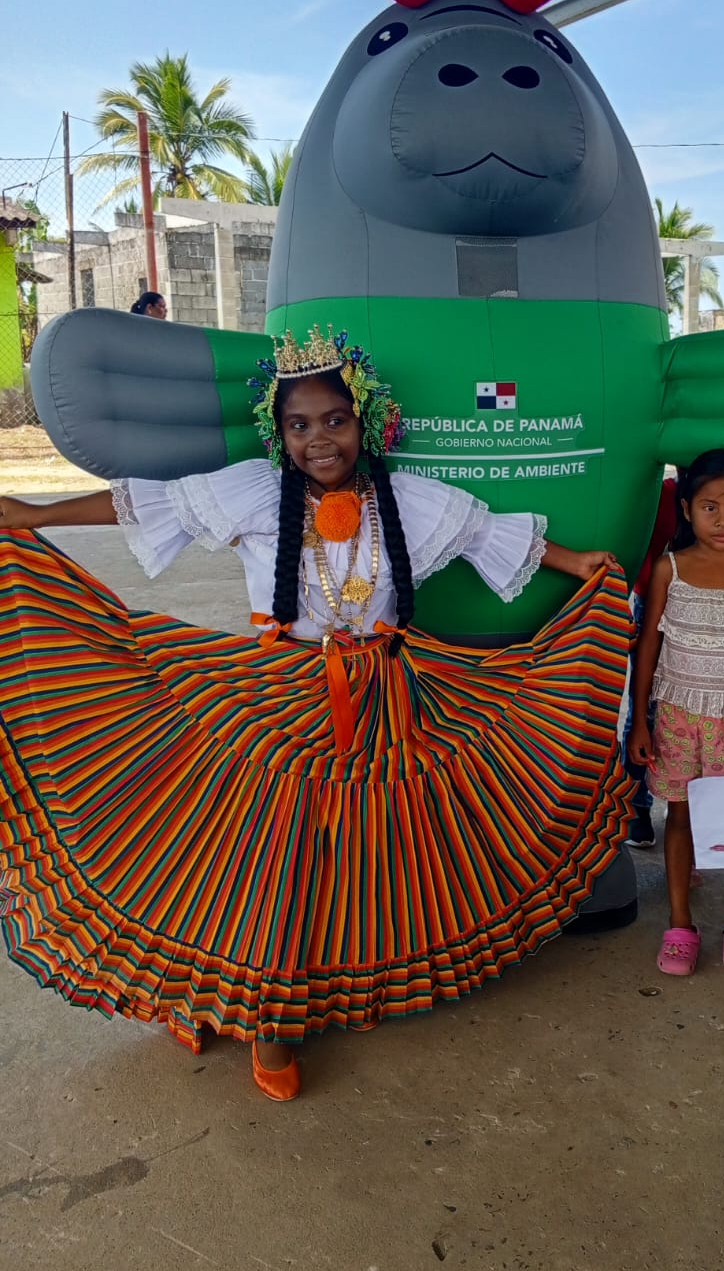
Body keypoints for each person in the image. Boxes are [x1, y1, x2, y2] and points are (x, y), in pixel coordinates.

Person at [0, 325, 626, 1101]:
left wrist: (577, 566)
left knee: (364, 859)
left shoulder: (408, 500)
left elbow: (486, 533)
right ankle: (265, 1018)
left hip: (389, 704)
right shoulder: (255, 492)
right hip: (275, 701)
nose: (318, 439)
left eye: (334, 420)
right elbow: (145, 504)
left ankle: (329, 985)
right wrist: (30, 515)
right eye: (299, 425)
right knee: (272, 862)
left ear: (366, 424)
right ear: (280, 434)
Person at [627, 449, 724, 977]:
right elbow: (647, 644)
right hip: (676, 714)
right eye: (710, 507)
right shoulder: (670, 569)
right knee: (680, 815)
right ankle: (679, 923)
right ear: (687, 508)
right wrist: (643, 719)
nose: (723, 520)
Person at [624, 475, 678, 850]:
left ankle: (689, 819)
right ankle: (636, 807)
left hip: (710, 605)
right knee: (644, 710)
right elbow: (640, 550)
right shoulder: (663, 493)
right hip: (656, 605)